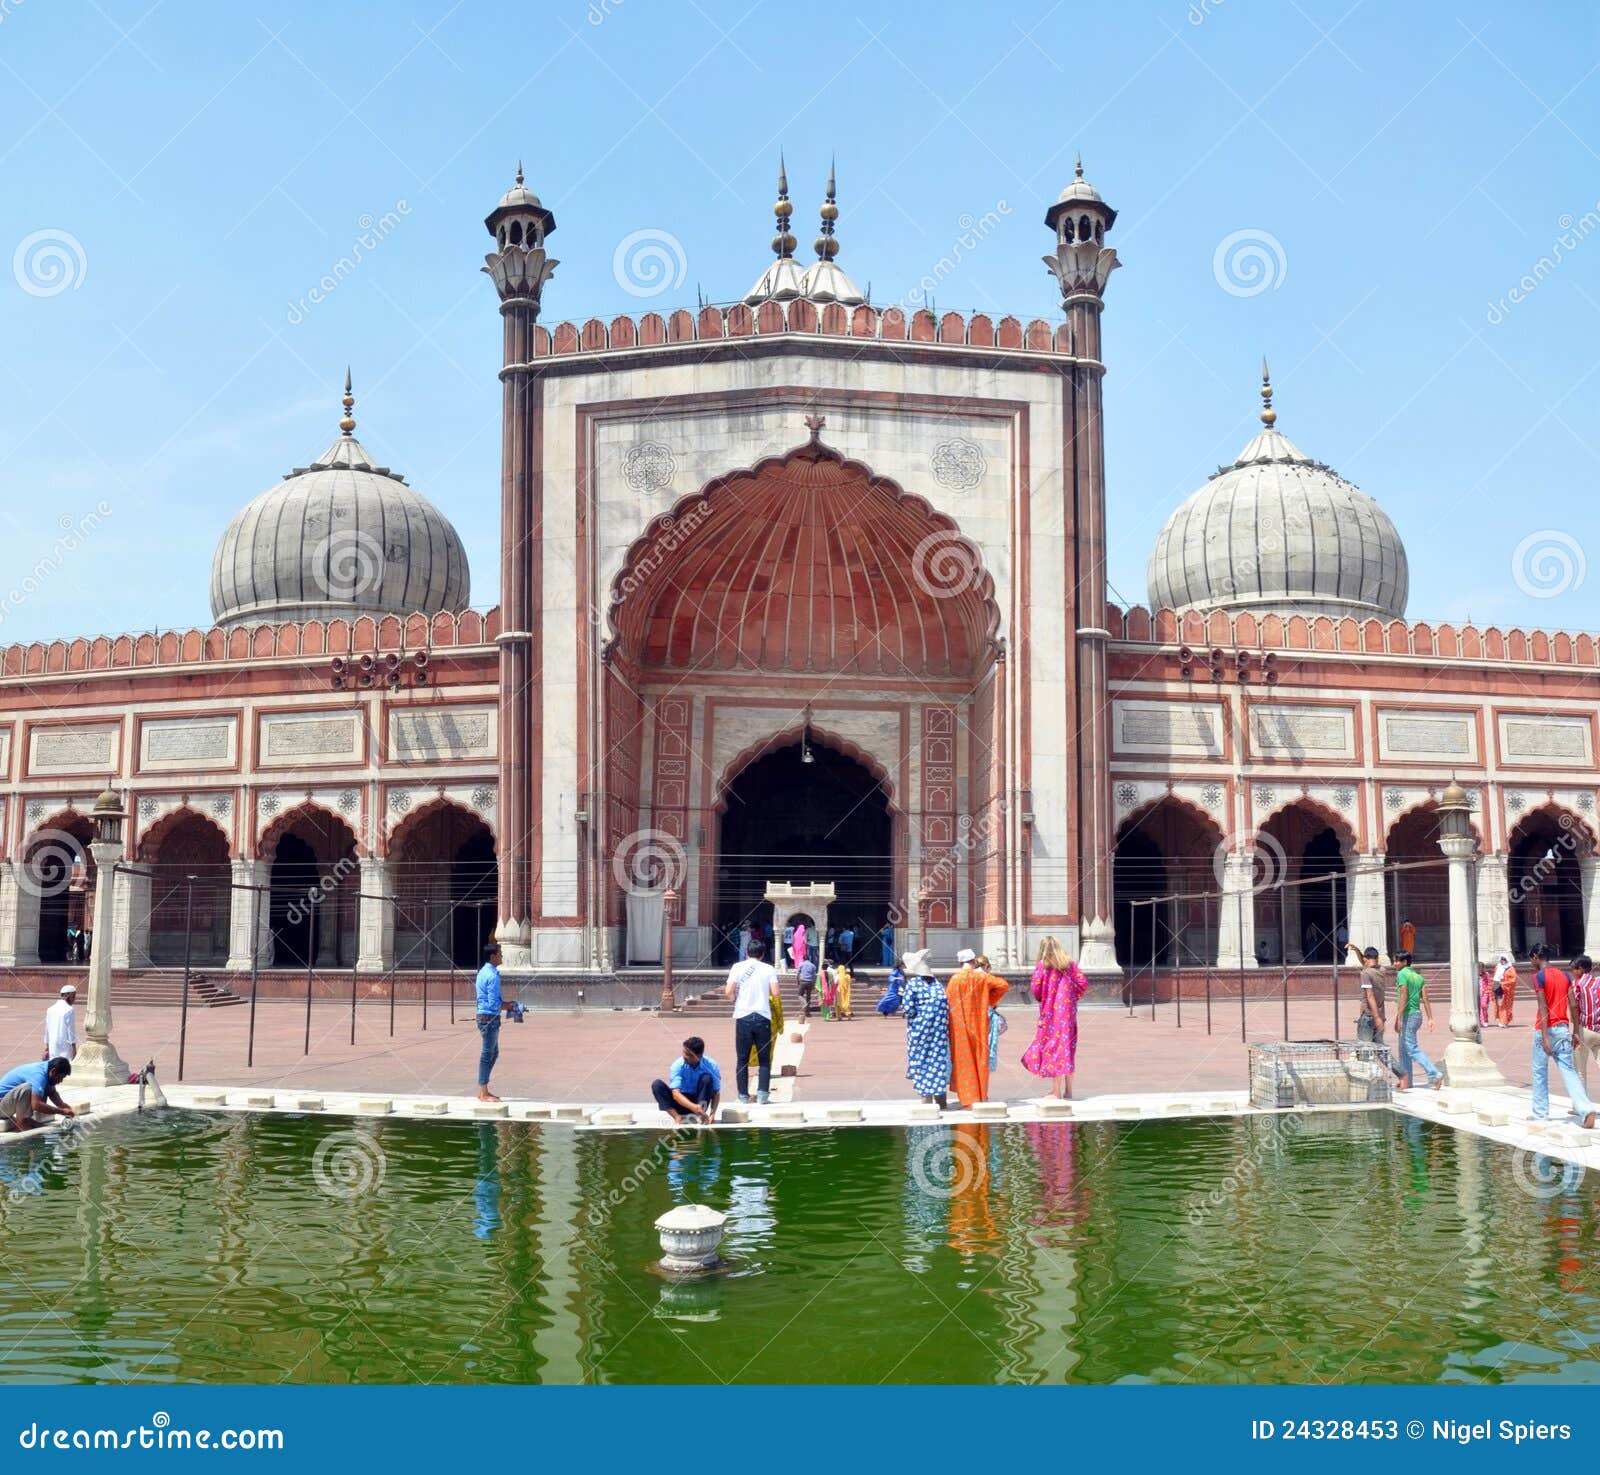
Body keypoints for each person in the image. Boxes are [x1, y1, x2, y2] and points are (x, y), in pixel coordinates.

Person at [1530, 944, 1598, 1127]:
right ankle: (1585, 1108)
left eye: (1532, 959)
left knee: (1539, 1072)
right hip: (1562, 1028)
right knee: (1569, 1071)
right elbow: (1574, 1005)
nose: (1531, 962)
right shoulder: (1564, 975)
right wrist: (1576, 1031)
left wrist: (1544, 1036)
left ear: (1536, 956)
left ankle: (1540, 1114)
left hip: (1545, 1029)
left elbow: (1543, 1007)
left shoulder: (1539, 977)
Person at [1021, 936, 1090, 1098]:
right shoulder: (1070, 965)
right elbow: (1083, 983)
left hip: (1051, 1014)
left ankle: (1056, 1091)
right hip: (1068, 1014)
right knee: (1068, 1048)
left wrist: (1045, 998)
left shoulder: (1042, 967)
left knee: (1054, 1048)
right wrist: (1072, 998)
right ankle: (1069, 1090)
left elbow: (1036, 989)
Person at [947, 951, 1008, 1107]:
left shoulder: (955, 980)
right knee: (980, 1057)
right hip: (980, 1022)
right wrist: (990, 1001)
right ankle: (982, 1095)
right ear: (974, 961)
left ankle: (967, 1098)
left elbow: (948, 1003)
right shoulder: (982, 977)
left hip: (960, 1025)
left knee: (964, 1059)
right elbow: (1003, 985)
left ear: (960, 963)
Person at [722, 941, 777, 1104]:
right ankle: (762, 1095)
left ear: (747, 953)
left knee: (742, 1059)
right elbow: (776, 992)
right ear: (762, 954)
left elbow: (728, 991)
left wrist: (735, 1000)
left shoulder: (737, 967)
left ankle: (743, 1096)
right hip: (762, 1016)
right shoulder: (768, 969)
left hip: (743, 1016)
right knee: (765, 1059)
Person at [901, 949, 951, 1106]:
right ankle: (941, 1099)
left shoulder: (913, 984)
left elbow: (908, 1009)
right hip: (940, 1034)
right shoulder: (938, 985)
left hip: (920, 1033)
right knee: (938, 1062)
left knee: (921, 1061)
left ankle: (926, 1097)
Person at [1392, 951, 1442, 1090]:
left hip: (1408, 1015)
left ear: (1405, 962)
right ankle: (1407, 1080)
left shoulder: (1402, 974)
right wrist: (1430, 1018)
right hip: (1417, 1015)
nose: (1395, 964)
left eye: (1397, 961)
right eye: (1394, 961)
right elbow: (1425, 998)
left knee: (1412, 1048)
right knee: (1403, 1048)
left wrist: (1398, 1016)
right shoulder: (1419, 977)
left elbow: (1404, 993)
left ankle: (1435, 1073)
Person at [650, 1037, 721, 1124]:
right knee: (657, 1085)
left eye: (688, 1054)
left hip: (700, 1102)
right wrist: (693, 1107)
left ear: (698, 1056)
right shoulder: (678, 1065)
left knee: (707, 1078)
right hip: (681, 1102)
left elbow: (716, 1093)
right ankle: (677, 1117)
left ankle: (699, 1116)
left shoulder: (712, 1066)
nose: (684, 1056)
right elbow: (675, 1094)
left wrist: (712, 1113)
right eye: (684, 1052)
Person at [0, 1057, 74, 1132]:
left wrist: (67, 1109)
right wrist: (61, 1111)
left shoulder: (48, 1071)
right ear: (53, 1071)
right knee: (28, 1088)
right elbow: (36, 1105)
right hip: (1, 1106)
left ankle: (27, 1120)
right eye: (60, 1077)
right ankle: (22, 1124)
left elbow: (52, 1093)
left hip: (7, 1105)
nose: (61, 1081)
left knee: (48, 1086)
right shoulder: (38, 1074)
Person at [474, 941, 504, 1103]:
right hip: (489, 1019)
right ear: (493, 957)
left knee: (493, 1052)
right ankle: (483, 1091)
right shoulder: (492, 976)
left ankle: (483, 1089)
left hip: (484, 1016)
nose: (501, 957)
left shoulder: (483, 972)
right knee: (487, 1055)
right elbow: (494, 1004)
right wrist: (511, 1006)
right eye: (500, 954)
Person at [1571, 955, 1600, 1096]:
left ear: (1581, 969)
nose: (1573, 973)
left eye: (1573, 969)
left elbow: (1574, 1007)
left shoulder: (1576, 984)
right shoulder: (1598, 982)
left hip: (1585, 1030)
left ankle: (1581, 1105)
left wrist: (1575, 1031)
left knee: (1579, 1068)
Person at [44, 983, 77, 1062]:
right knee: (64, 1068)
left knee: (54, 1065)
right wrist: (74, 1048)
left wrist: (47, 1046)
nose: (74, 999)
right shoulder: (69, 1009)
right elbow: (71, 1030)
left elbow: (47, 1029)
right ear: (67, 995)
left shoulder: (50, 1009)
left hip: (53, 1045)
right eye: (73, 996)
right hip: (65, 1046)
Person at [1493, 951, 1517, 1027]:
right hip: (1498, 988)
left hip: (1507, 990)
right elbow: (1495, 976)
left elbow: (1513, 980)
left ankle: (1504, 1021)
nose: (1503, 961)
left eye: (1504, 959)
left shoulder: (1511, 969)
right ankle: (1502, 1020)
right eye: (1502, 959)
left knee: (1505, 1006)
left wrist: (1503, 983)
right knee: (1499, 1005)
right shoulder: (1498, 967)